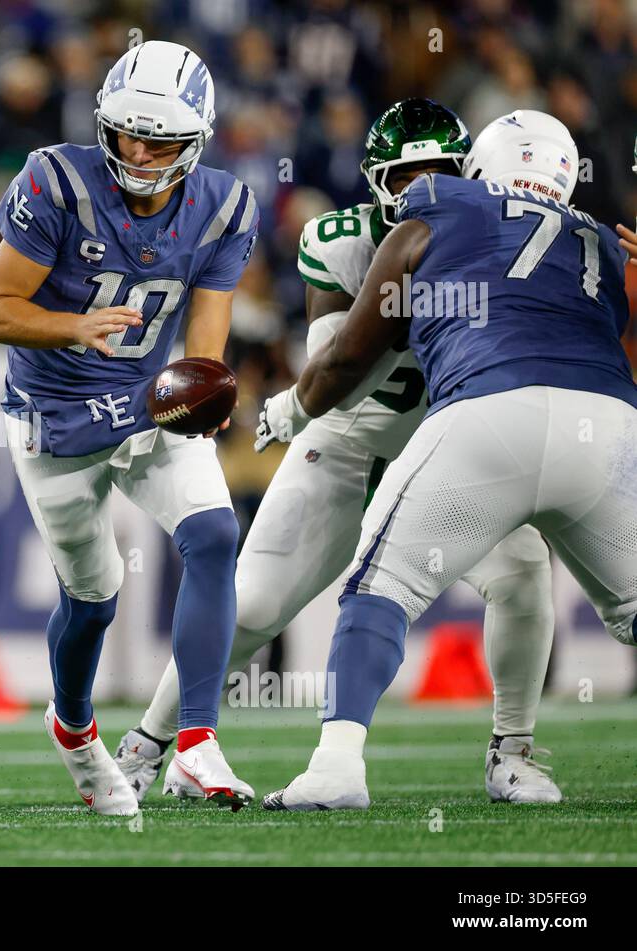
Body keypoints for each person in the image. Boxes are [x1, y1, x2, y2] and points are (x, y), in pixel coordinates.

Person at [117, 99, 560, 805]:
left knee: (526, 571)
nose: (419, 190)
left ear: (467, 173)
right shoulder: (344, 242)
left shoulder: (501, 241)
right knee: (255, 604)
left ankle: (513, 751)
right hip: (349, 444)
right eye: (403, 175)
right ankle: (147, 743)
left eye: (436, 172)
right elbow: (334, 371)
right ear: (374, 181)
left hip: (451, 451)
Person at [255, 111, 635, 811]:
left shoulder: (438, 203)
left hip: (489, 414)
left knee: (382, 586)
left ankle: (337, 766)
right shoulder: (604, 243)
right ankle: (514, 755)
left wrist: (290, 408)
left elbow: (344, 356)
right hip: (607, 425)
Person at [0, 40, 260, 815]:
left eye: (158, 139)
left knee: (214, 536)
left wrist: (203, 393)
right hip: (55, 418)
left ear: (195, 140)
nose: (137, 152)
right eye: (128, 133)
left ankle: (195, 741)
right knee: (94, 597)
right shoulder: (58, 180)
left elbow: (207, 337)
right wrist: (74, 326)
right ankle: (72, 726)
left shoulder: (226, 204)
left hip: (145, 402)